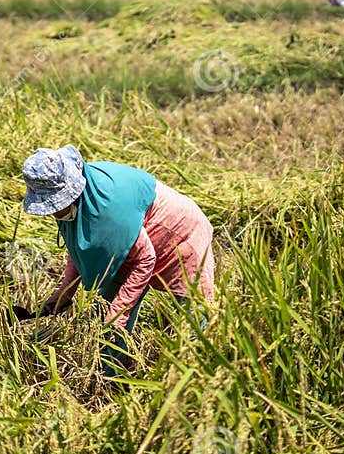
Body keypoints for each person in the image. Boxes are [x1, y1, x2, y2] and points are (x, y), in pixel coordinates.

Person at [13, 145, 215, 377]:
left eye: (55, 206)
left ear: (71, 193)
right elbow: (79, 246)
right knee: (106, 315)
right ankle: (109, 376)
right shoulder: (80, 203)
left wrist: (119, 314)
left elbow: (144, 261)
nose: (52, 213)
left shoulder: (108, 212)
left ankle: (196, 376)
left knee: (193, 317)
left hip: (180, 234)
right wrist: (64, 293)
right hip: (129, 240)